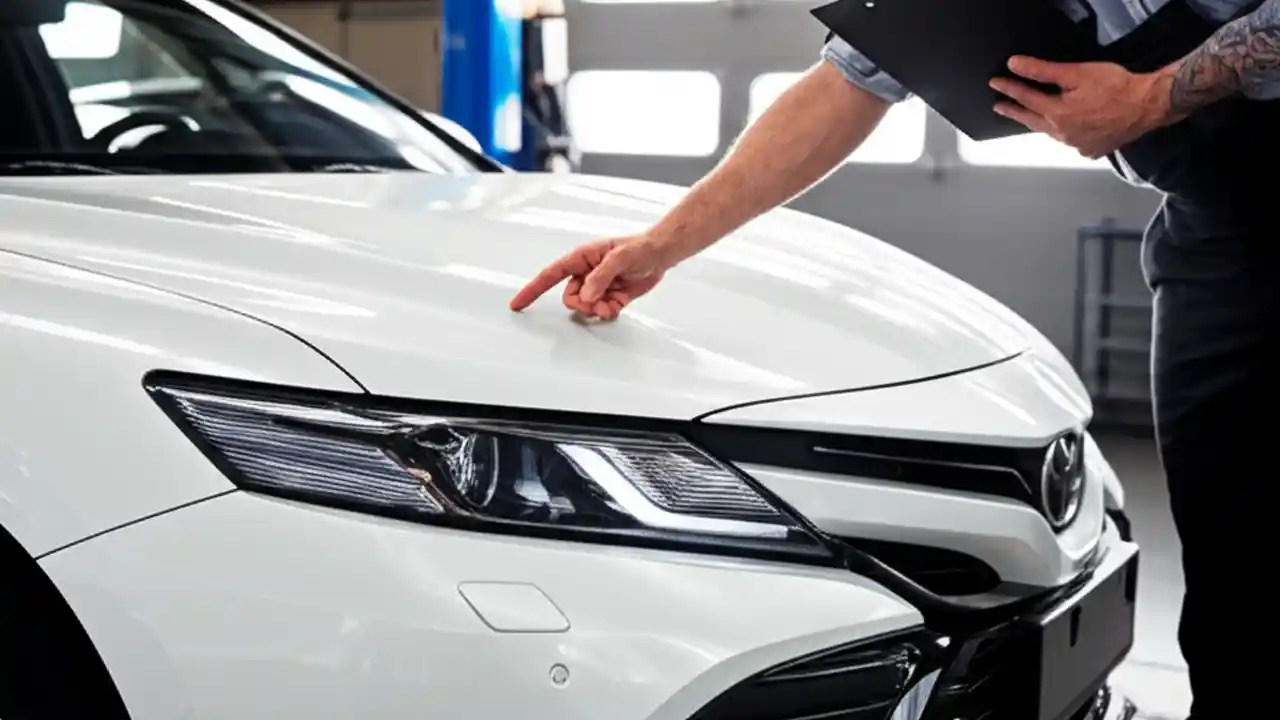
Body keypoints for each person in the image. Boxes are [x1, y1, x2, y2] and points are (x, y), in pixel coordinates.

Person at [508, 1, 1278, 717]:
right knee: (1233, 567)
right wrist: (659, 247)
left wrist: (1157, 95)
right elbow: (851, 82)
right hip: (1222, 231)